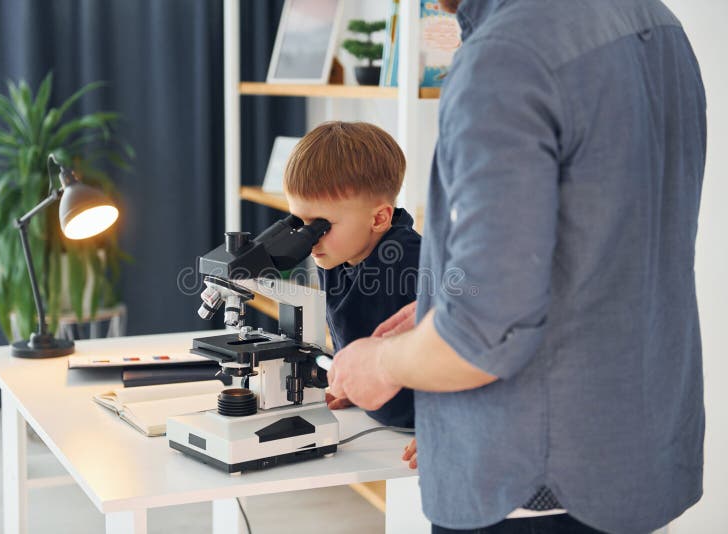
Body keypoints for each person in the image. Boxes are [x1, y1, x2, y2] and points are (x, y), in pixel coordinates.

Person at [327, 1, 707, 533]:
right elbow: (604, 250)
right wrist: (447, 306)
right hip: (633, 461)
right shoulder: (653, 19)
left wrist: (382, 363)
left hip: (529, 484)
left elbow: (486, 336)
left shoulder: (505, 57)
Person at [283, 121, 421, 428]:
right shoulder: (336, 255)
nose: (309, 238)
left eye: (321, 225)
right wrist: (355, 385)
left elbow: (457, 351)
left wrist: (444, 426)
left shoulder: (412, 261)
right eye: (300, 222)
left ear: (379, 218)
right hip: (382, 417)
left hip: (423, 426)